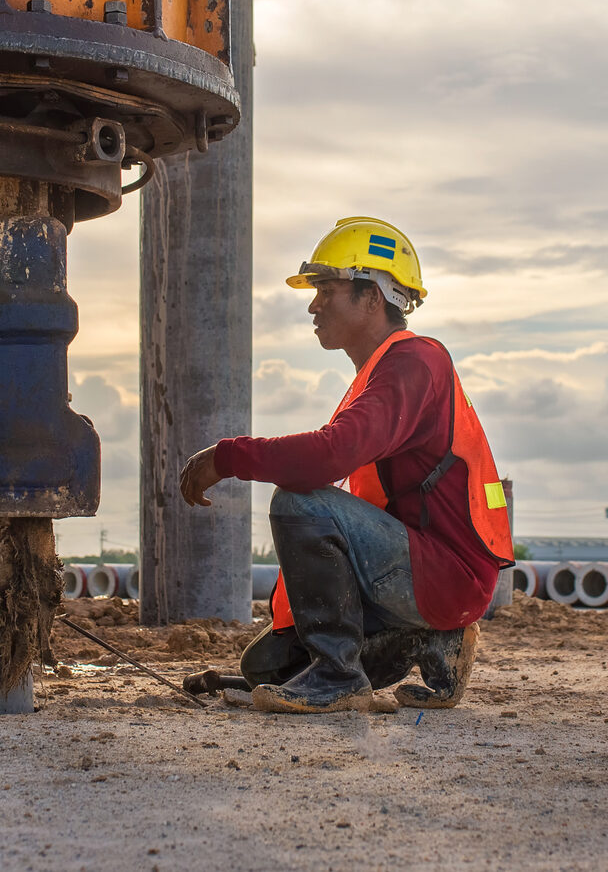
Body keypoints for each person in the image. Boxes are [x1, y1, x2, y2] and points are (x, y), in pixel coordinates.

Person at [177, 217, 512, 714]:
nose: (314, 305)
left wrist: (229, 456)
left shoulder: (414, 361)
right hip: (424, 572)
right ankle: (429, 641)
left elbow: (329, 455)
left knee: (299, 501)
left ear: (372, 296)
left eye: (327, 290)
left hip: (445, 576)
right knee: (266, 666)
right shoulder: (381, 373)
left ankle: (339, 676)